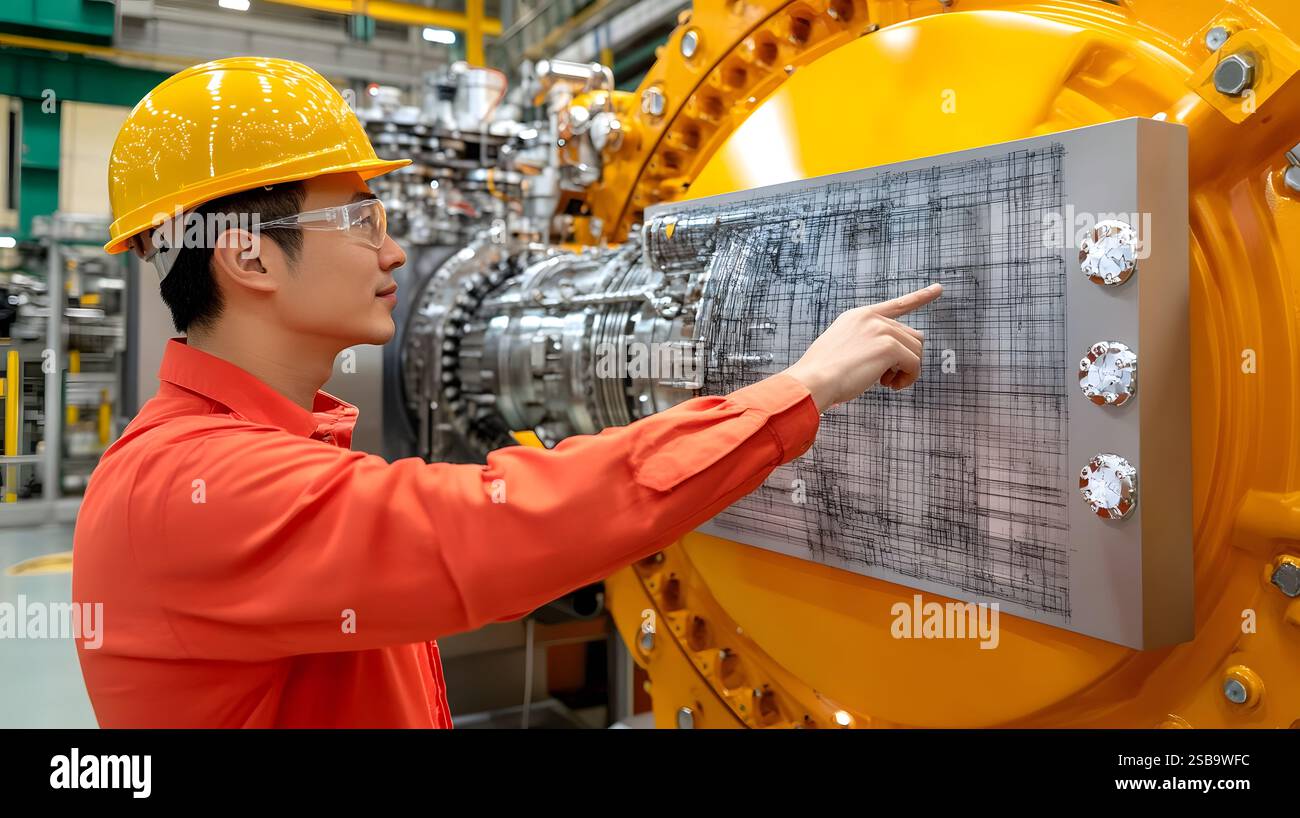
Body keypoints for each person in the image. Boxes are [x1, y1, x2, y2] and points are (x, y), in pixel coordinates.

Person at [73, 57, 941, 727]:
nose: (395, 253)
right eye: (363, 219)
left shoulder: (267, 453)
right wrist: (800, 389)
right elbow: (498, 524)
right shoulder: (189, 492)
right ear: (248, 257)